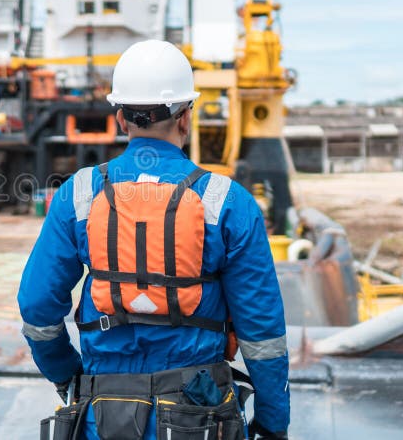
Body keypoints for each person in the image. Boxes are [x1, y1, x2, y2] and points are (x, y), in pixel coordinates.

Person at [18, 40, 289, 439]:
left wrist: (68, 374)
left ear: (121, 119)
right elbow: (262, 332)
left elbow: (38, 306)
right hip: (201, 417)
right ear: (186, 118)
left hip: (102, 415)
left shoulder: (79, 195)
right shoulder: (228, 202)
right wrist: (273, 423)